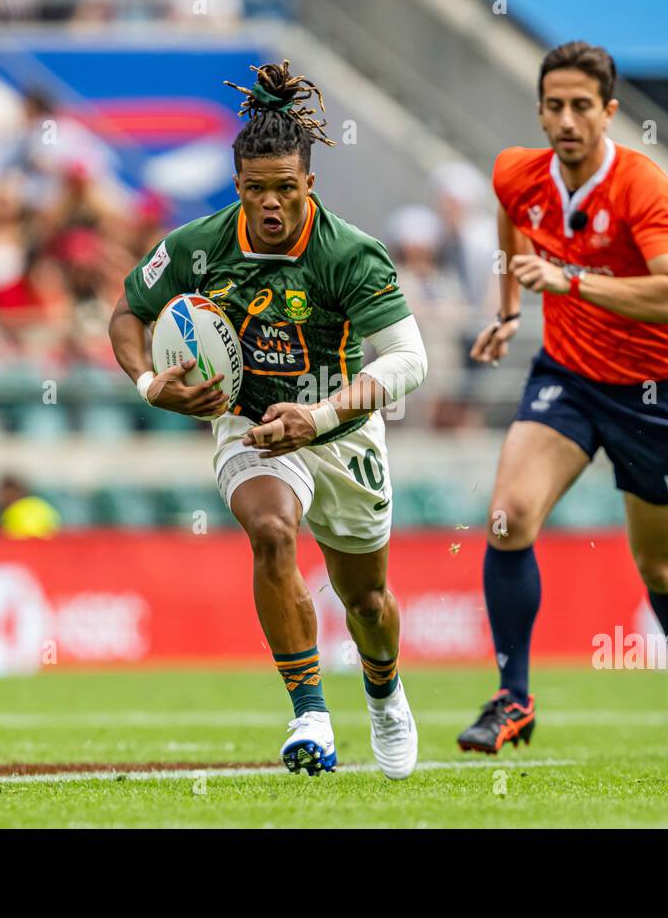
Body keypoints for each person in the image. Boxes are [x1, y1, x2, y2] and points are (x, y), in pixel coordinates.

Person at [108, 61, 428, 778]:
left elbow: (409, 361)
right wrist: (146, 383)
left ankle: (383, 691)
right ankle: (309, 712)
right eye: (257, 190)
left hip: (340, 429)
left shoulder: (348, 252)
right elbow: (128, 311)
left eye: (287, 187)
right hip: (250, 425)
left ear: (309, 183)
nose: (273, 204)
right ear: (237, 187)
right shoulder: (199, 246)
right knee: (272, 530)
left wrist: (316, 418)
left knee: (367, 599)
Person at [459, 41, 668, 757]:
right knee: (508, 518)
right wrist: (510, 309)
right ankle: (513, 698)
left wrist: (569, 281)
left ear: (609, 112)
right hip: (567, 378)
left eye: (580, 106)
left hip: (653, 395)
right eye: (553, 105)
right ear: (539, 110)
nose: (566, 120)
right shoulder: (518, 172)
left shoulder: (643, 187)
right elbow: (511, 214)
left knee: (660, 567)